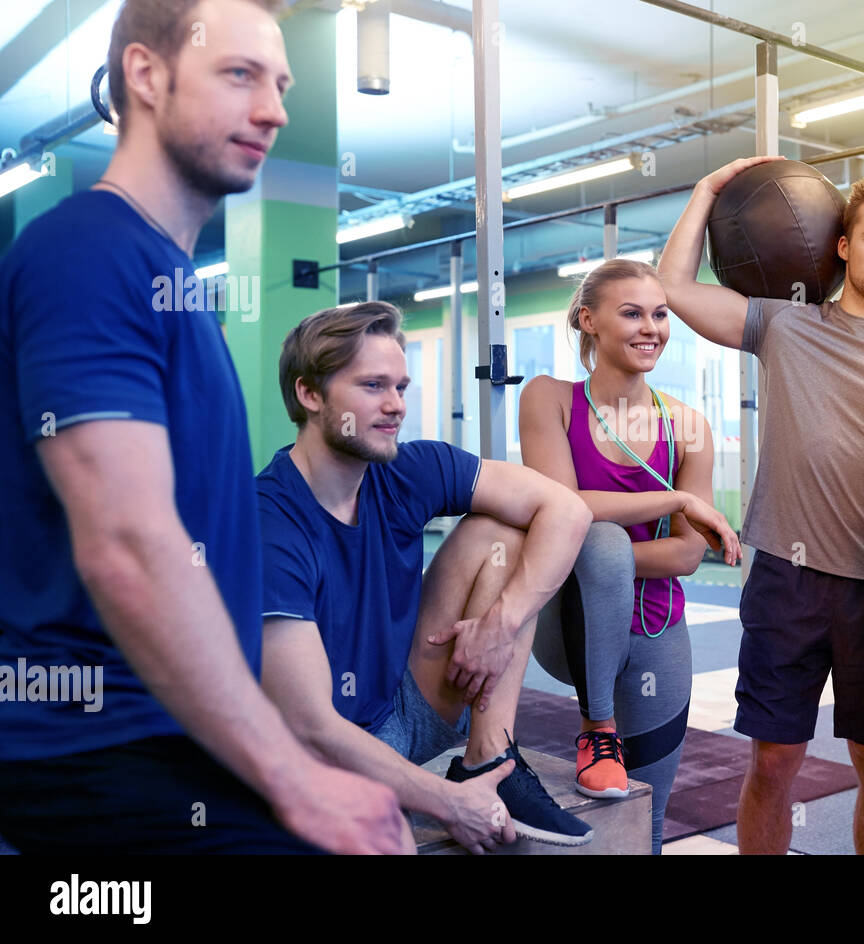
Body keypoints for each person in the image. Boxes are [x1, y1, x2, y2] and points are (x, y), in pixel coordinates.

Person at [0, 0, 410, 853]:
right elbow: (128, 545)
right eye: (240, 75)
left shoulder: (175, 284)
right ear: (147, 75)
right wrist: (295, 776)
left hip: (172, 737)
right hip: (98, 753)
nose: (275, 109)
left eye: (282, 83)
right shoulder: (87, 252)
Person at [658, 159, 864, 854]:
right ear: (845, 246)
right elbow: (674, 287)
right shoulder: (784, 325)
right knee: (773, 762)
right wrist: (705, 190)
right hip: (786, 581)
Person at [257, 301, 595, 851]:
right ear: (310, 395)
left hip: (402, 706)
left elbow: (567, 510)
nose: (396, 407)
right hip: (321, 755)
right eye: (372, 386)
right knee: (395, 844)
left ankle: (490, 756)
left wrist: (499, 626)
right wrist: (443, 804)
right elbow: (310, 726)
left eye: (401, 387)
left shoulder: (407, 468)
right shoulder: (267, 523)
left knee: (503, 535)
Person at [519, 259, 741, 854]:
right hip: (569, 624)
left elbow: (687, 555)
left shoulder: (688, 425)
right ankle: (596, 727)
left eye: (661, 314)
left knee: (650, 819)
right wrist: (672, 499)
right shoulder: (550, 399)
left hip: (654, 628)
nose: (652, 328)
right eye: (632, 313)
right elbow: (561, 506)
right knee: (600, 538)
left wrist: (603, 567)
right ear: (588, 320)